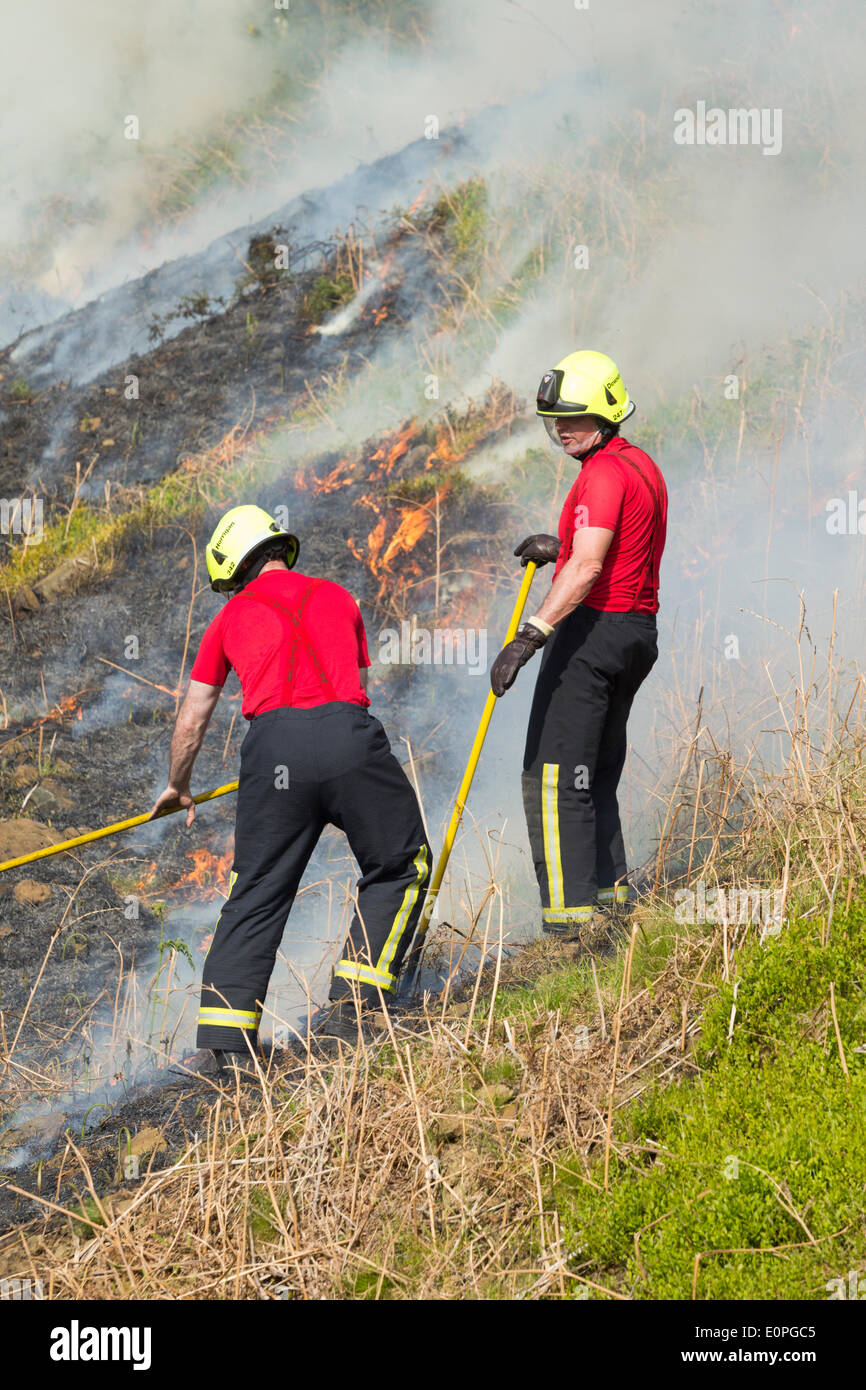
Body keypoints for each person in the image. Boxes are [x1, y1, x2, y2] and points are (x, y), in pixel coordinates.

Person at [149, 504, 430, 1066]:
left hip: (273, 752)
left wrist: (179, 784)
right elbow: (359, 684)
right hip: (351, 740)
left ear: (234, 571)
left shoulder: (228, 620)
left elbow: (192, 719)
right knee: (400, 865)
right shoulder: (340, 598)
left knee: (254, 895)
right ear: (280, 549)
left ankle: (225, 1052)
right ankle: (358, 1004)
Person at [490, 351, 667, 942]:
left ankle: (572, 930)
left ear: (606, 411)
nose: (562, 429)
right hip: (637, 635)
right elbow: (614, 543)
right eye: (553, 419)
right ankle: (613, 902)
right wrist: (559, 546)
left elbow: (591, 567)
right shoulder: (638, 464)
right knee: (595, 773)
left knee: (553, 777)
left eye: (573, 417)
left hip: (594, 635)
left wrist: (530, 636)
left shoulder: (600, 474)